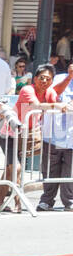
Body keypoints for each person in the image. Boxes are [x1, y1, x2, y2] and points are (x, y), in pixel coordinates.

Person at [0, 65, 64, 213]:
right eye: (41, 78)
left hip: (27, 136)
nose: (44, 81)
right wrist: (60, 106)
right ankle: (18, 203)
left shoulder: (49, 92)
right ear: (35, 78)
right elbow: (37, 106)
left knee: (10, 171)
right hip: (9, 134)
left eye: (48, 79)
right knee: (17, 168)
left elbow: (58, 97)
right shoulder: (27, 90)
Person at [40, 64, 73, 209]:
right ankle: (47, 200)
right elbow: (48, 93)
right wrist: (69, 78)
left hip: (71, 136)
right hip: (52, 134)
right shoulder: (57, 79)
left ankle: (69, 201)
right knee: (50, 169)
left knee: (70, 171)